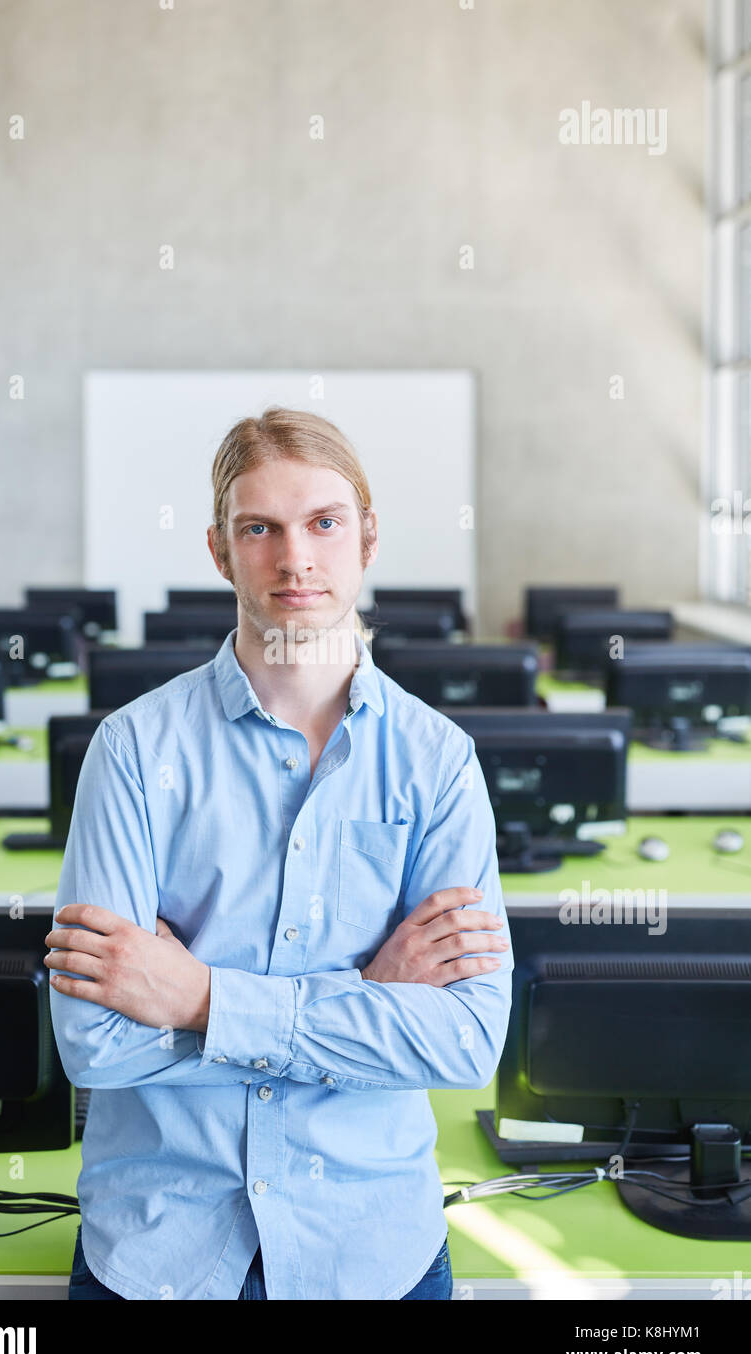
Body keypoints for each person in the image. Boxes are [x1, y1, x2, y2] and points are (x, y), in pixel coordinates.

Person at [44, 406, 514, 1300]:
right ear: (221, 551)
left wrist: (198, 998)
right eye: (259, 528)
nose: (294, 557)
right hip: (157, 1255)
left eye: (324, 523)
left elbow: (463, 1041)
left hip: (372, 1255)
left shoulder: (437, 759)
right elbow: (96, 1045)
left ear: (367, 539)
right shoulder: (134, 751)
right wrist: (368, 1002)